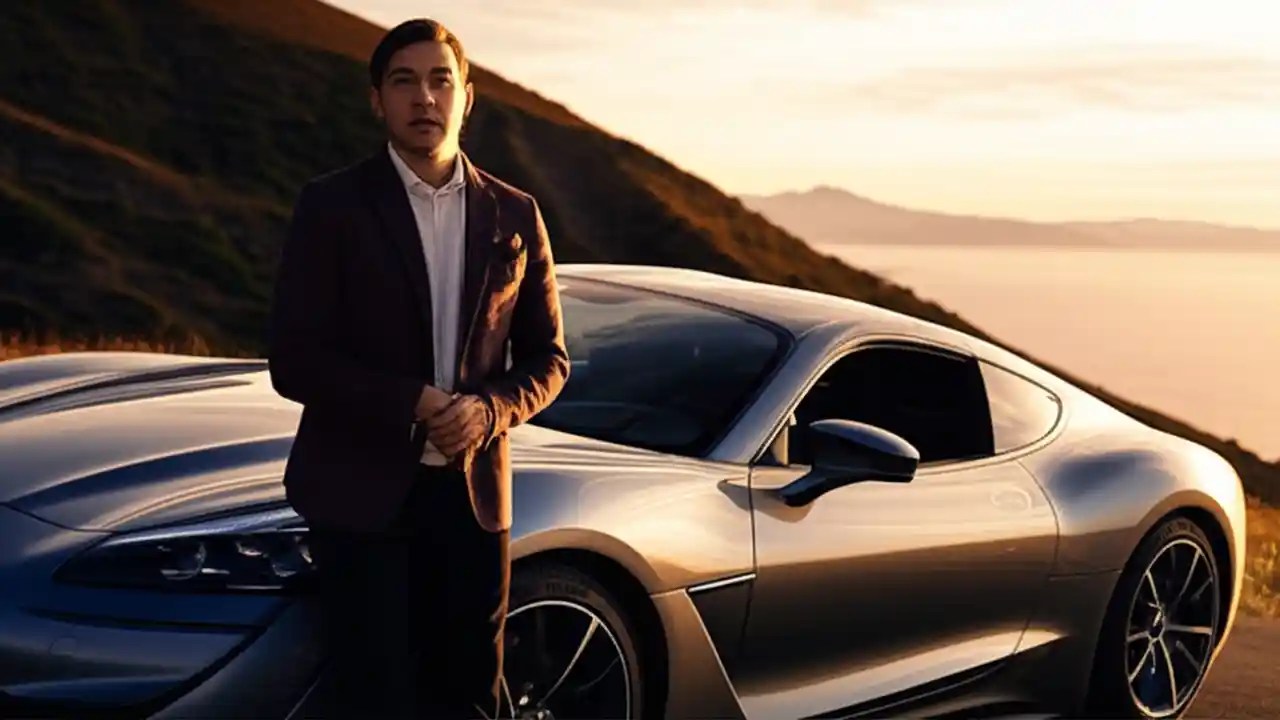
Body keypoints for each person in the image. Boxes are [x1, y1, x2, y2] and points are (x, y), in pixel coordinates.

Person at [266, 17, 569, 719]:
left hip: (473, 504)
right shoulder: (331, 206)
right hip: (359, 494)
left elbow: (549, 359)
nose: (423, 98)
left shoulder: (515, 213)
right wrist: (412, 401)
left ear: (468, 96)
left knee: (469, 696)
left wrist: (490, 410)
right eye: (403, 81)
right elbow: (295, 359)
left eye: (440, 81)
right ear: (378, 100)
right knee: (375, 698)